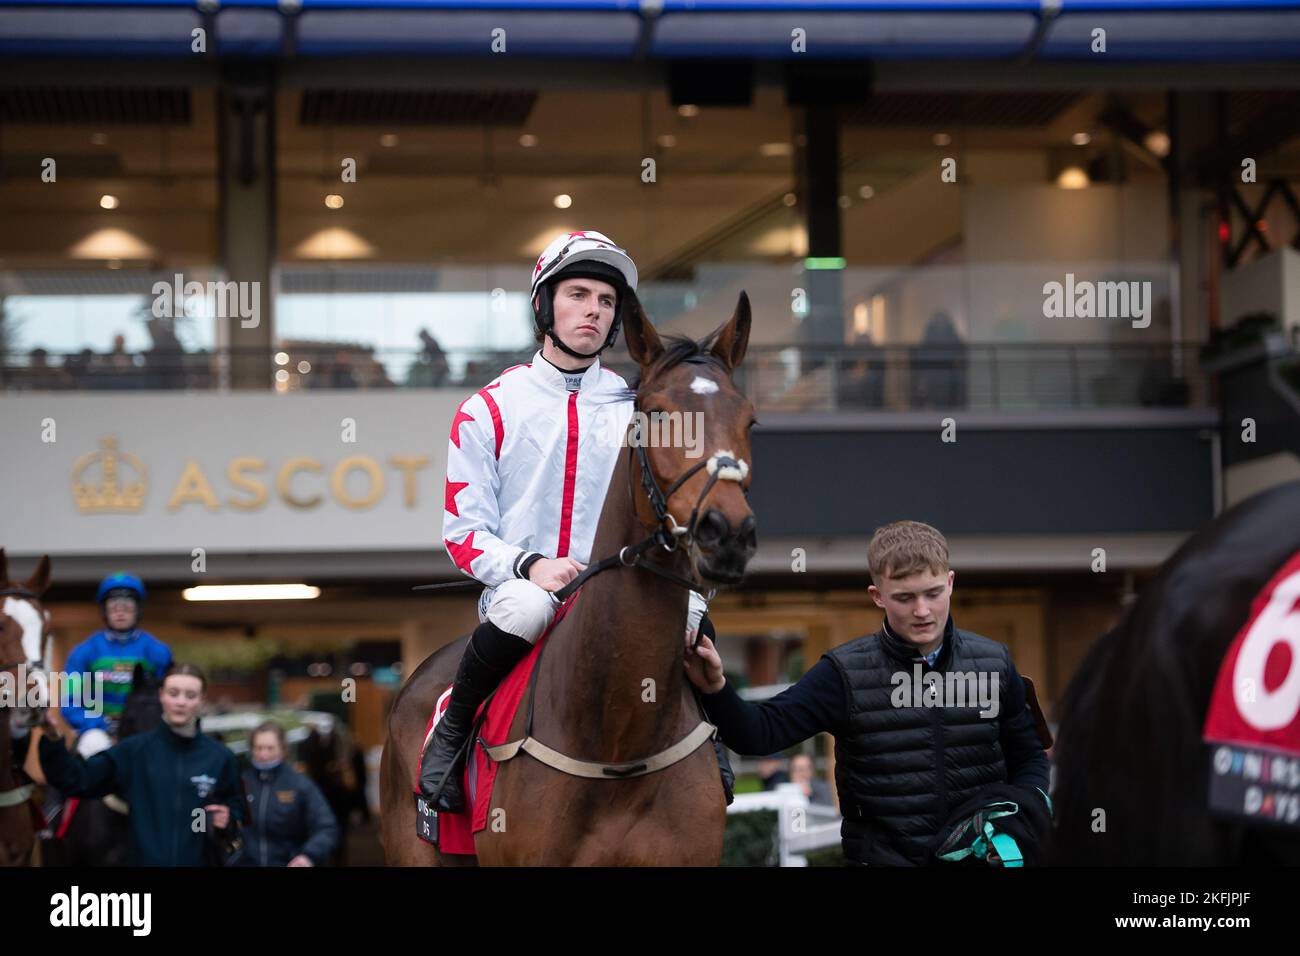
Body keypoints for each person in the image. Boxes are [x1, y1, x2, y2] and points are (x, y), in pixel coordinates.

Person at [420, 229, 732, 813]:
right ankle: (451, 732)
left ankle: (712, 741)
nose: (593, 309)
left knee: (691, 611)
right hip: (523, 589)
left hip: (624, 586)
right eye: (579, 294)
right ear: (545, 305)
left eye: (606, 301)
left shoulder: (638, 407)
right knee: (527, 608)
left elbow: (674, 504)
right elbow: (462, 533)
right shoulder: (486, 407)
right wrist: (529, 565)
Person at [685, 520, 1049, 865]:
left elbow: (1030, 758)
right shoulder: (843, 673)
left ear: (950, 583)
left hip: (981, 861)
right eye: (905, 597)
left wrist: (1022, 814)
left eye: (933, 593)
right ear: (877, 595)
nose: (922, 611)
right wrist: (717, 688)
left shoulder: (995, 663)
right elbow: (759, 733)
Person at [36, 663, 245, 867]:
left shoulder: (220, 757)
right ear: (161, 695)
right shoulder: (133, 752)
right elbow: (78, 779)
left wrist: (229, 819)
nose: (181, 702)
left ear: (202, 700)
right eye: (174, 693)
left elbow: (238, 811)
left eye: (190, 695)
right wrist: (53, 741)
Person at [61, 573, 172, 756]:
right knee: (94, 746)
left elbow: (167, 698)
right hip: (98, 730)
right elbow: (70, 702)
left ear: (138, 610)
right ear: (104, 610)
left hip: (144, 729)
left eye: (127, 607)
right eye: (113, 607)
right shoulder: (83, 652)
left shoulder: (158, 651)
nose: (120, 612)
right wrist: (99, 725)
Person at [237, 721, 339, 867]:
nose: (263, 754)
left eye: (270, 748)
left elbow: (327, 827)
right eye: (258, 748)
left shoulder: (300, 784)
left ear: (283, 749)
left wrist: (308, 856)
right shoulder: (241, 783)